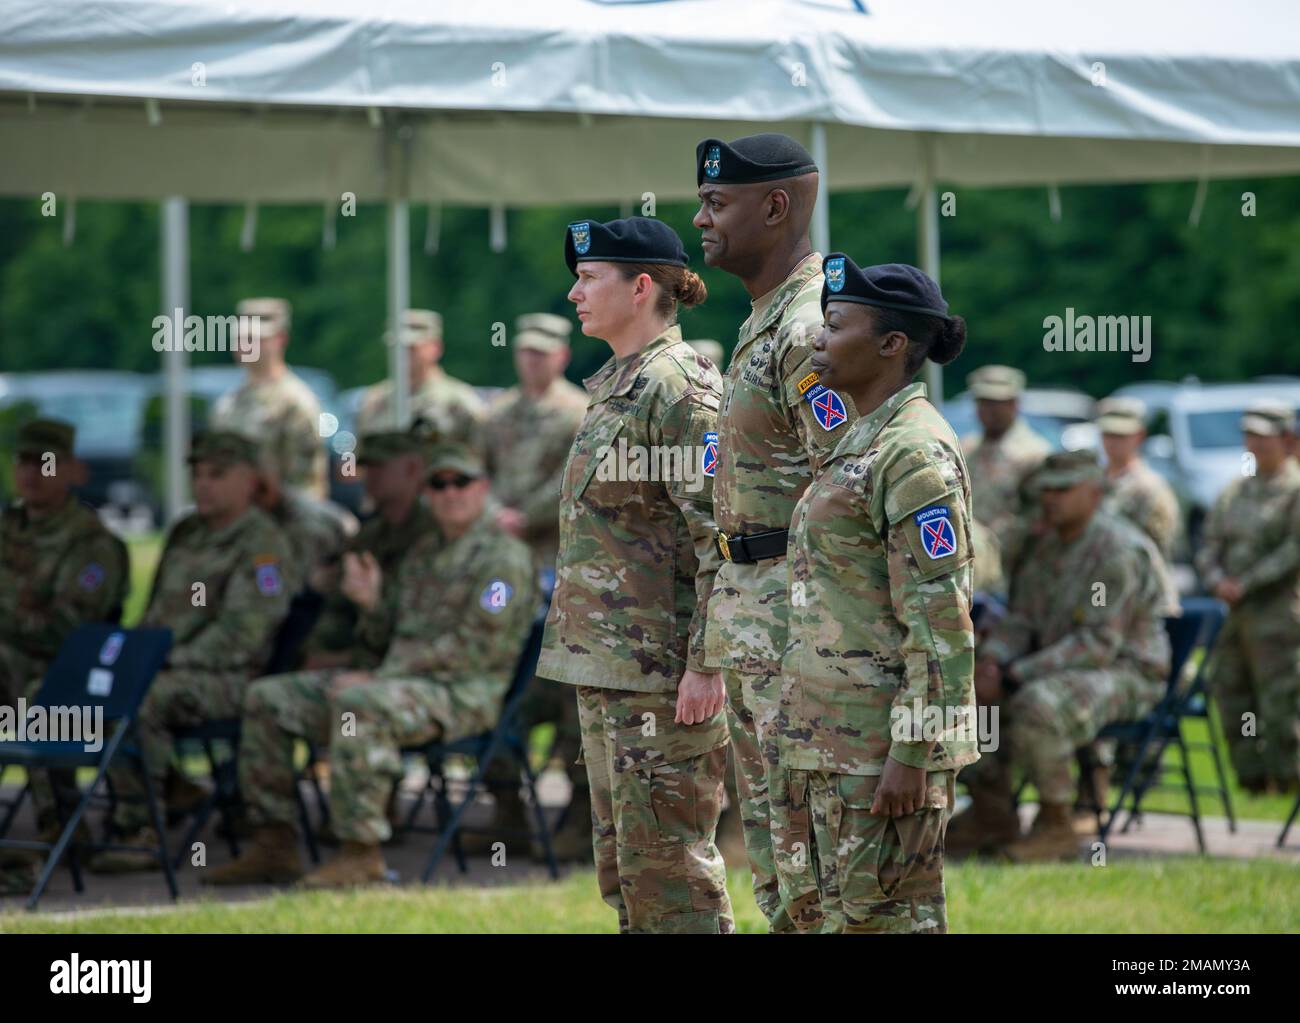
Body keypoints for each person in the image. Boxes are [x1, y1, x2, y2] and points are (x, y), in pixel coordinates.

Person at [204, 442, 536, 886]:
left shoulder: (503, 560)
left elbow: (475, 649)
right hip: (401, 684)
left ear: (484, 489)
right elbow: (387, 636)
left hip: (462, 694)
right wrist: (371, 603)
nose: (450, 492)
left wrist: (381, 675)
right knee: (269, 697)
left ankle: (361, 853)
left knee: (359, 704)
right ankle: (273, 843)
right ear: (426, 493)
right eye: (438, 484)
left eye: (462, 482)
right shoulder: (423, 553)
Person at [537, 216, 731, 934]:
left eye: (589, 278)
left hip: (662, 677)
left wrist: (706, 663)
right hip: (613, 668)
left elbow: (721, 536)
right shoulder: (622, 382)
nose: (574, 292)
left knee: (673, 876)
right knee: (630, 876)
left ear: (641, 285)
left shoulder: (678, 388)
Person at [775, 256, 976, 933]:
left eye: (835, 326)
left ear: (892, 345)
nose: (819, 340)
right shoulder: (860, 438)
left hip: (882, 754)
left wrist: (912, 752)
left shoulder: (913, 453)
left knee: (886, 921)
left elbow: (940, 621)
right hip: (830, 741)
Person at [691, 132, 858, 932]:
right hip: (757, 622)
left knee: (816, 864)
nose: (700, 219)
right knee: (782, 864)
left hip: (803, 634)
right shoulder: (765, 319)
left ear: (776, 206)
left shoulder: (805, 329)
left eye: (717, 204)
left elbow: (852, 487)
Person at [950, 449, 1174, 862]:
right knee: (969, 696)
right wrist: (992, 663)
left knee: (1039, 704)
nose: (1051, 499)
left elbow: (1098, 644)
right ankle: (992, 813)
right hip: (1058, 666)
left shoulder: (1116, 551)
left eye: (1063, 490)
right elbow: (1021, 621)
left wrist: (1015, 675)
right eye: (1046, 490)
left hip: (1127, 672)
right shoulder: (1045, 546)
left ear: (1094, 492)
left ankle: (1057, 825)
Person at [89, 431, 293, 872]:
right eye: (197, 475)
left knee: (140, 702)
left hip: (231, 678)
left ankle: (140, 827)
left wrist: (164, 661)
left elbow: (245, 632)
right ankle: (168, 788)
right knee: (79, 692)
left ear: (249, 481)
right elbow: (156, 611)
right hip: (163, 665)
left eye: (217, 475)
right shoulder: (185, 531)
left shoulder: (262, 543)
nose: (203, 484)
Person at [474, 312, 590, 860]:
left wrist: (526, 516)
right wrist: (498, 514)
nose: (532, 360)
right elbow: (478, 474)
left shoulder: (577, 412)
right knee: (500, 680)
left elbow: (573, 477)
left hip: (557, 567)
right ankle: (508, 811)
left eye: (542, 352)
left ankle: (578, 816)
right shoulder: (496, 414)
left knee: (567, 690)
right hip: (503, 569)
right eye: (525, 351)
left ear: (561, 355)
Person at [0, 420, 129, 891]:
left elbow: (68, 629)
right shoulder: (7, 528)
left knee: (36, 697)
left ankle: (61, 825)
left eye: (46, 462)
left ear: (73, 470)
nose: (33, 473)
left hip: (65, 679)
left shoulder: (93, 545)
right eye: (25, 462)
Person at [1194, 401, 1300, 794]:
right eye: (1248, 436)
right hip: (1233, 616)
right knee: (1233, 695)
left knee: (1279, 703)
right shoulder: (1235, 490)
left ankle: (1288, 780)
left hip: (1276, 615)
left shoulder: (1293, 489)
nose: (1253, 444)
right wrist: (1216, 579)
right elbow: (1208, 543)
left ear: (1286, 439)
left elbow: (1292, 550)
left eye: (1262, 436)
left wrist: (1247, 582)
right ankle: (1252, 779)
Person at [298, 430, 437, 671]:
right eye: (366, 467)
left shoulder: (433, 536)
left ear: (412, 469)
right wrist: (317, 652)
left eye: (379, 466)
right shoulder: (368, 536)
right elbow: (340, 609)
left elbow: (421, 624)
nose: (370, 476)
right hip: (361, 652)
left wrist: (346, 660)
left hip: (400, 663)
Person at [210, 297, 327, 498]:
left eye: (256, 339)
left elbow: (306, 486)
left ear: (280, 339)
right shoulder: (228, 403)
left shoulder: (295, 402)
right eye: (240, 339)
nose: (245, 346)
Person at [960, 365, 1050, 577]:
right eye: (983, 402)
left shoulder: (1034, 453)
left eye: (996, 403)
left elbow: (1040, 519)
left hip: (1012, 568)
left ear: (1014, 404)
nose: (988, 410)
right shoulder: (966, 448)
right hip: (967, 566)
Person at [355, 308, 486, 449]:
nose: (402, 354)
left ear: (436, 347)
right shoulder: (373, 403)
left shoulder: (458, 402)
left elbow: (479, 460)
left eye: (411, 348)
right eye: (396, 348)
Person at [1096, 397, 1181, 559]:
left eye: (1121, 435)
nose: (1113, 442)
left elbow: (1159, 551)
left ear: (1140, 436)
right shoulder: (1092, 482)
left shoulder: (1151, 488)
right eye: (1108, 434)